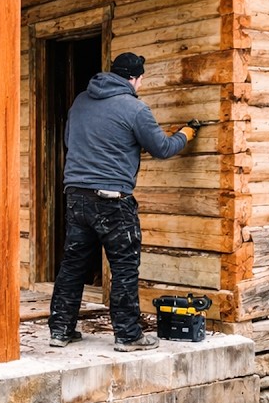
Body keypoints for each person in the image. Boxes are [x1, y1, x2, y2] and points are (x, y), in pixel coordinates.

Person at [48, 52, 200, 351]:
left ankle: (60, 330)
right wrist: (186, 133)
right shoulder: (135, 108)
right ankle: (128, 336)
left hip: (76, 196)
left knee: (73, 265)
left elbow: (72, 140)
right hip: (113, 201)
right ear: (136, 78)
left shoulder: (81, 101)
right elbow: (162, 148)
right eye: (141, 79)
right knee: (124, 267)